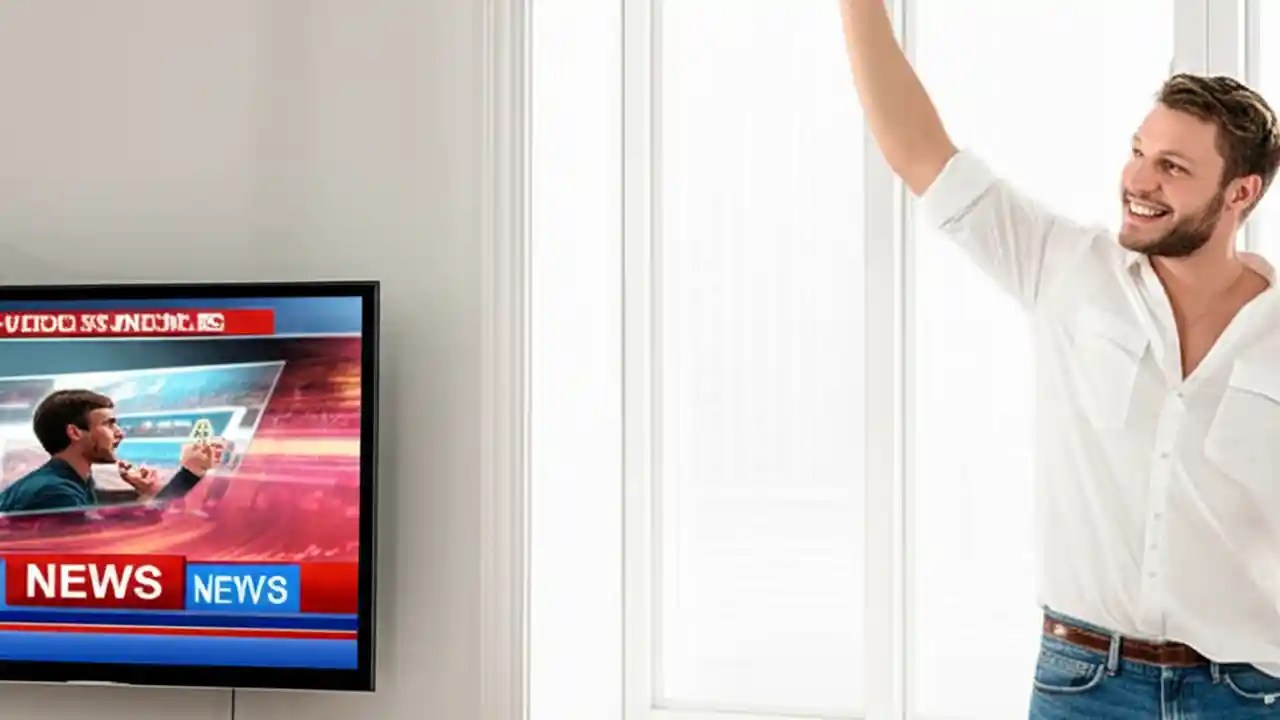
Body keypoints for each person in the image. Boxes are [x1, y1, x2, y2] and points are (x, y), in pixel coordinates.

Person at [839, 1, 1280, 716]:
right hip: (1087, 685)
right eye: (1138, 151)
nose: (1139, 180)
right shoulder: (1066, 268)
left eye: (1172, 167)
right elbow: (918, 150)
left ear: (1241, 194)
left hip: (1249, 693)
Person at [0, 389, 223, 514]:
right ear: (75, 432)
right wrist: (190, 471)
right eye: (109, 424)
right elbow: (113, 545)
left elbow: (118, 521)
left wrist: (147, 492)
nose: (119, 433)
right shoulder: (55, 492)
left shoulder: (71, 481)